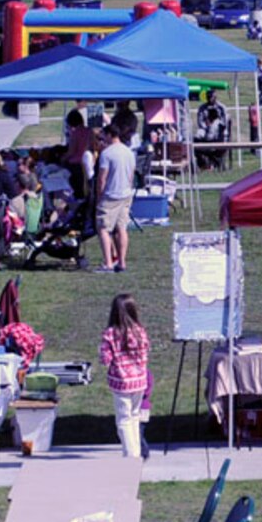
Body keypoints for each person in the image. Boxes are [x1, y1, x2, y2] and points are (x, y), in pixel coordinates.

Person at [99, 292, 151, 459]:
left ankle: (131, 456)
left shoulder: (110, 334)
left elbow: (105, 360)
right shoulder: (140, 332)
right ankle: (136, 452)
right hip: (139, 381)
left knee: (123, 420)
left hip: (121, 383)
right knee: (135, 417)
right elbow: (146, 353)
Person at [95, 122, 136, 274]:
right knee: (121, 228)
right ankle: (122, 262)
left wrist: (99, 196)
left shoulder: (107, 154)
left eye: (104, 136)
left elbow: (102, 178)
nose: (103, 139)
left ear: (110, 135)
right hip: (126, 194)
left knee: (103, 228)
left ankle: (108, 263)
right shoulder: (129, 152)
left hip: (110, 195)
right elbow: (131, 175)